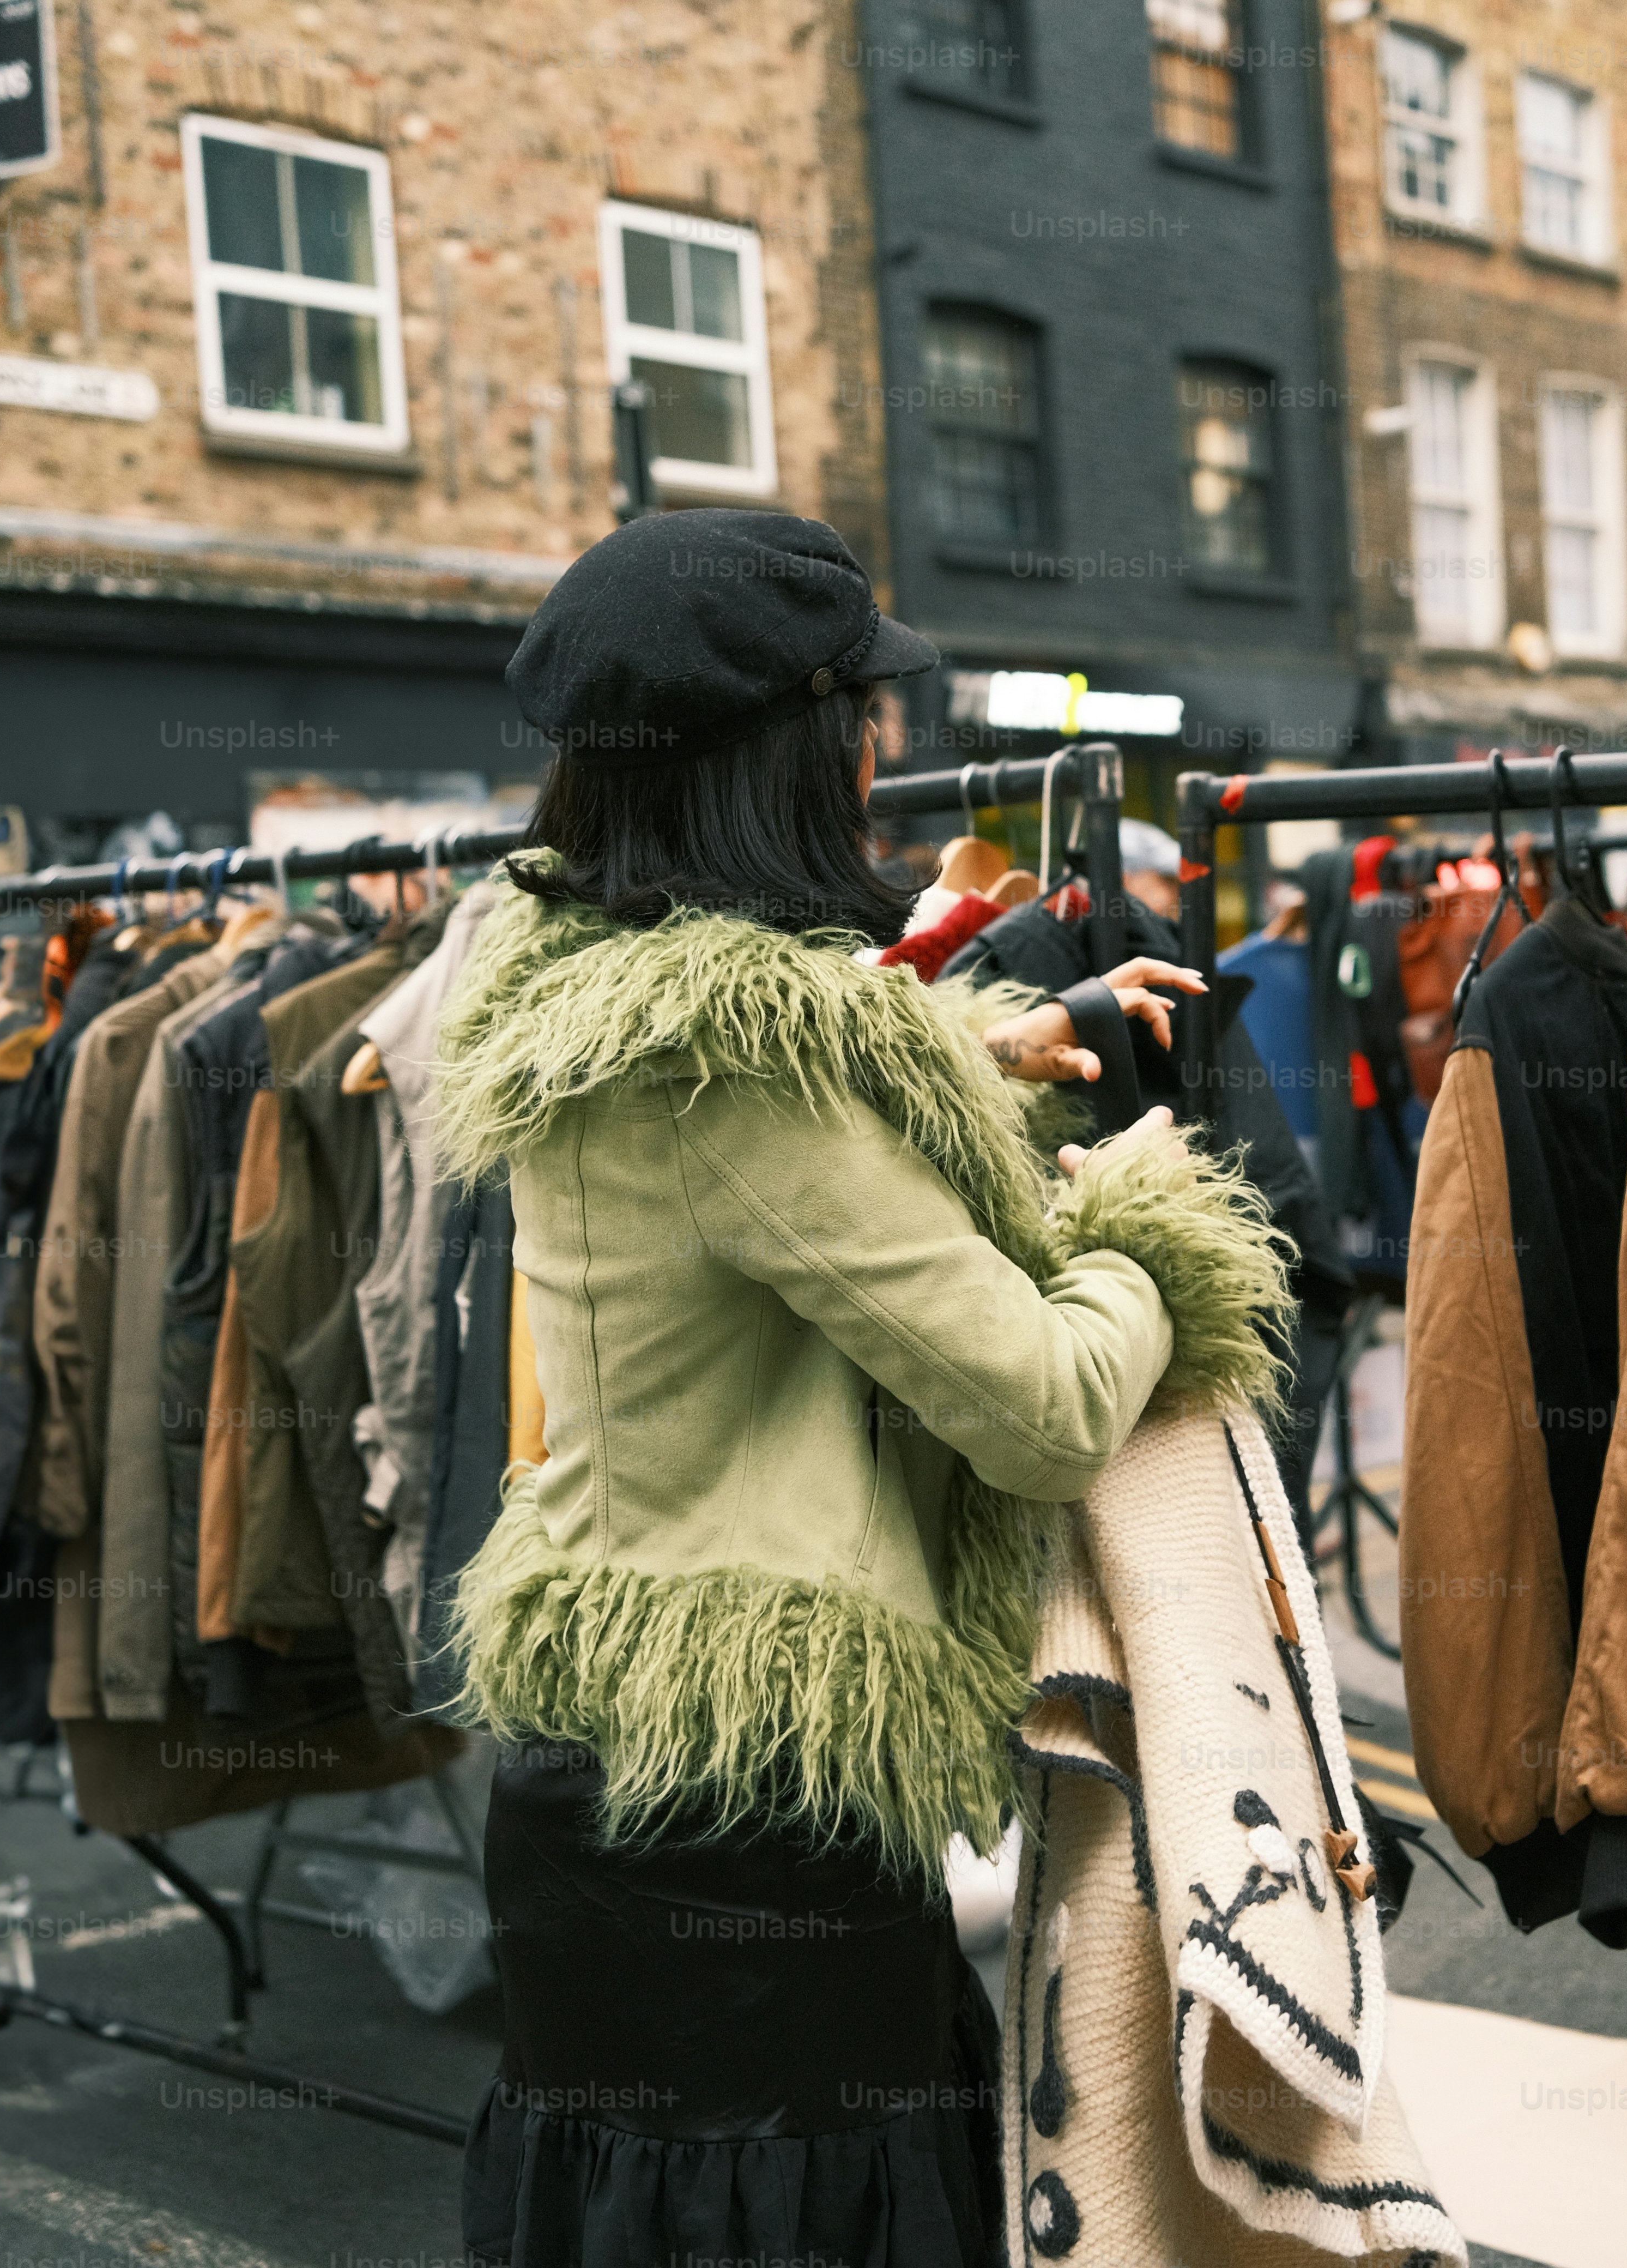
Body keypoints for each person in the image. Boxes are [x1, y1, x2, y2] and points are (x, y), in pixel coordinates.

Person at [433, 510, 1288, 2268]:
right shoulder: (746, 1083)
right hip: (761, 1833)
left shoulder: (572, 991)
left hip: (599, 1780)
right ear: (787, 750)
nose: (879, 746)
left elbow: (751, 1145)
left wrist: (968, 1045)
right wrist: (1139, 1228)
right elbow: (1043, 1401)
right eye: (855, 714)